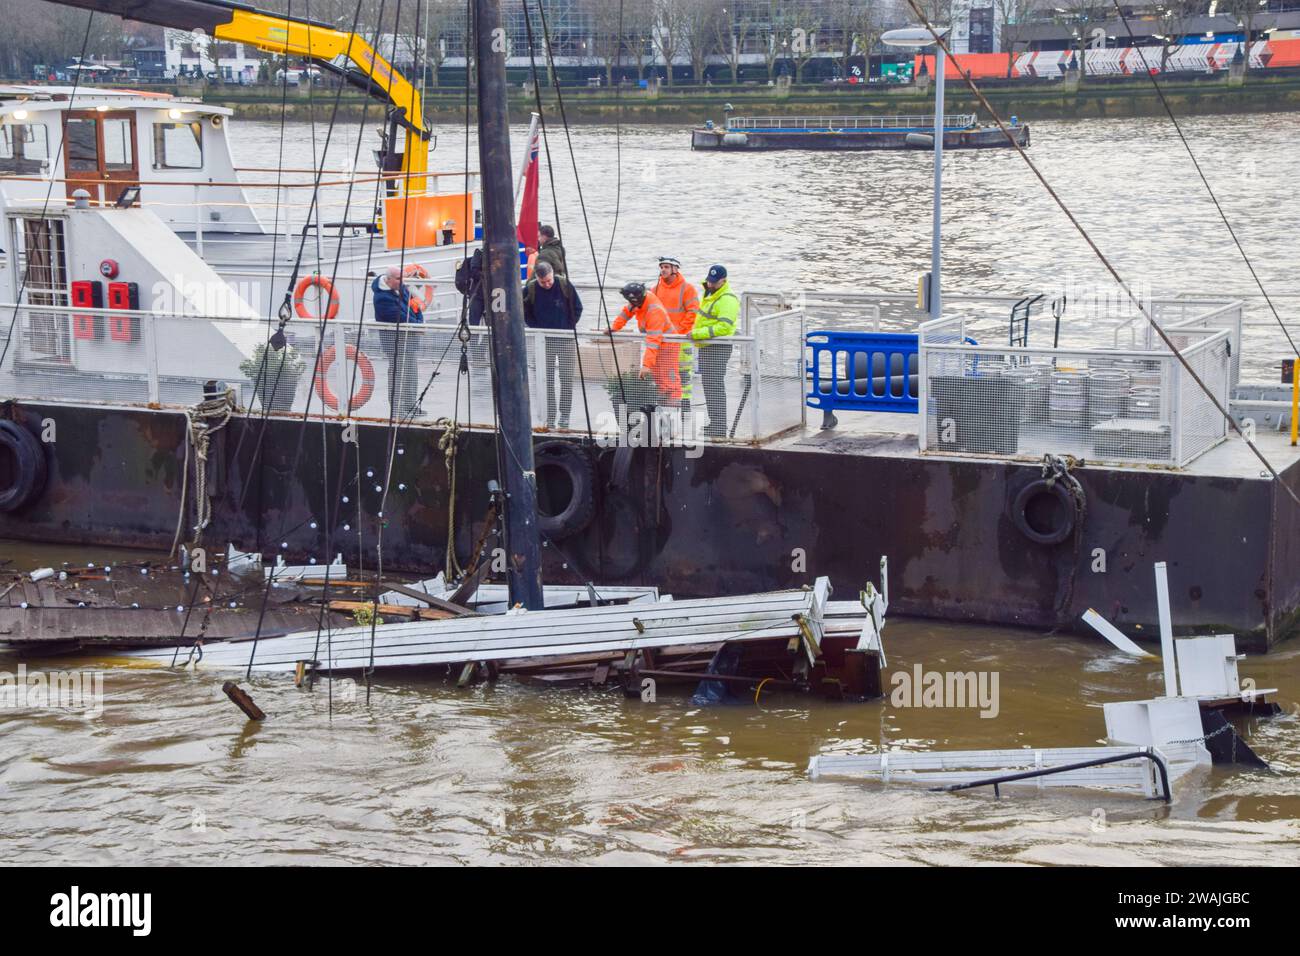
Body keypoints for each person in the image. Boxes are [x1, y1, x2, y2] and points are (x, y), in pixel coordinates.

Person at [523, 260, 583, 428]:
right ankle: (550, 416)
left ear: (552, 275)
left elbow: (578, 307)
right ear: (537, 278)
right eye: (543, 282)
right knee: (546, 379)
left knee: (566, 379)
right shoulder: (531, 288)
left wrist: (569, 326)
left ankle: (565, 415)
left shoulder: (564, 284)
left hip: (565, 339)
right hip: (543, 340)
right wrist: (536, 328)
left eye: (549, 281)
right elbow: (524, 310)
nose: (547, 284)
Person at [611, 281, 679, 404]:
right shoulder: (637, 301)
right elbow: (626, 312)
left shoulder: (654, 311)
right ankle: (662, 406)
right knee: (658, 378)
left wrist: (646, 365)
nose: (631, 304)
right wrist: (614, 327)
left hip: (668, 346)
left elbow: (653, 342)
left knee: (668, 379)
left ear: (640, 297)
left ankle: (673, 407)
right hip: (657, 344)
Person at [691, 264, 739, 437]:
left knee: (715, 386)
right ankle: (715, 423)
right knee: (709, 386)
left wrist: (697, 334)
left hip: (718, 347)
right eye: (709, 281)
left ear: (724, 280)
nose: (710, 284)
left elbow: (724, 327)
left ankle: (719, 426)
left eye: (714, 282)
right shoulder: (711, 292)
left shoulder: (727, 299)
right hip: (707, 346)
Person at [372, 264, 424, 418]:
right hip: (395, 342)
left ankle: (410, 406)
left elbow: (414, 307)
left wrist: (420, 323)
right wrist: (417, 326)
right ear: (388, 280)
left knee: (411, 375)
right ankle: (397, 409)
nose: (402, 281)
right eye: (398, 278)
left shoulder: (401, 288)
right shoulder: (382, 298)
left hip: (410, 339)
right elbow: (399, 317)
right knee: (398, 375)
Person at [651, 255, 699, 419]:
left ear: (675, 269)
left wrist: (679, 333)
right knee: (662, 374)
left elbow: (693, 312)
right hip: (662, 340)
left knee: (683, 375)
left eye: (666, 267)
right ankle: (664, 409)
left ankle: (685, 409)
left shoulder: (687, 289)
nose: (663, 270)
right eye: (661, 267)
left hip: (680, 340)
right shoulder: (655, 289)